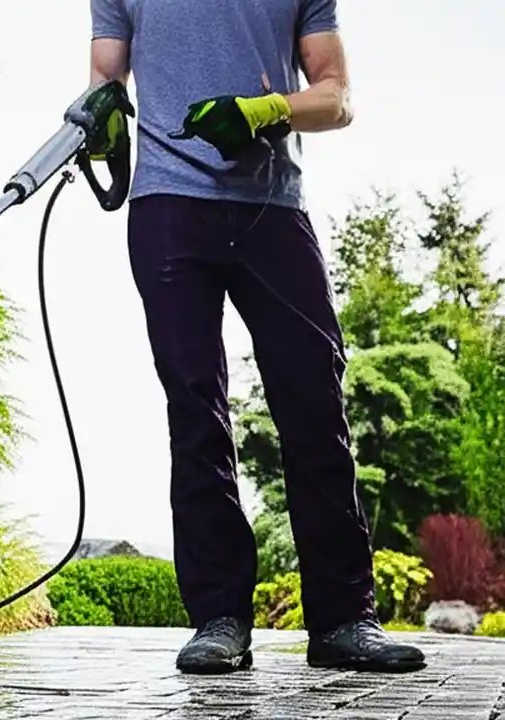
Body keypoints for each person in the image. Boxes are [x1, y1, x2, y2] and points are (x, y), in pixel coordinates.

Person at [86, 0, 426, 674]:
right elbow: (105, 79)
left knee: (314, 404)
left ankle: (343, 620)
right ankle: (219, 619)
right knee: (195, 406)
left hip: (273, 208)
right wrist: (97, 123)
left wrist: (266, 112)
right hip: (167, 206)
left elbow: (337, 96)